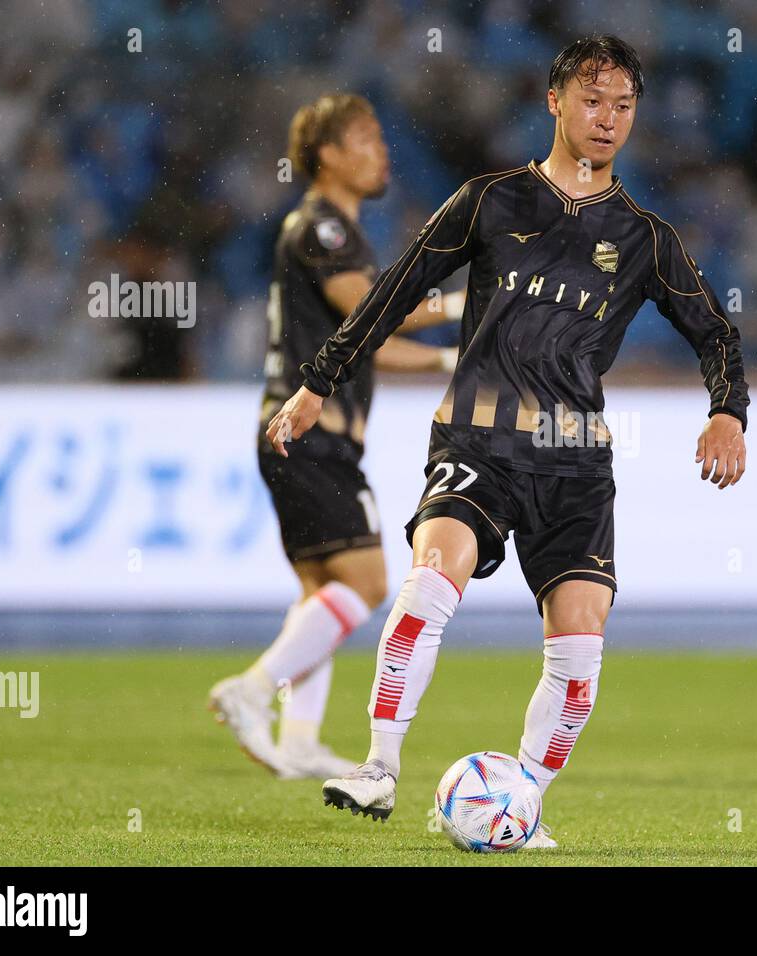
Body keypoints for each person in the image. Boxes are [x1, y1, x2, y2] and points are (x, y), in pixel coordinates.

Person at [265, 36, 749, 848]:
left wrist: (727, 411)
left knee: (581, 658)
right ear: (554, 102)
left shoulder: (645, 239)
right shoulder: (490, 201)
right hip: (478, 443)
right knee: (430, 579)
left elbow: (717, 335)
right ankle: (380, 768)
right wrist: (319, 382)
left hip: (575, 467)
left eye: (624, 106)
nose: (608, 120)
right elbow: (394, 293)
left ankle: (521, 799)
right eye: (592, 101)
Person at [209, 94, 462, 779]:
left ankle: (297, 740)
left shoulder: (331, 233)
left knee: (321, 588)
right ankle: (251, 690)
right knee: (368, 580)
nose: (381, 152)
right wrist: (478, 300)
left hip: (301, 437)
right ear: (328, 154)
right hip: (310, 434)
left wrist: (451, 359)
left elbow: (370, 341)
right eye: (366, 139)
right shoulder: (321, 229)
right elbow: (374, 309)